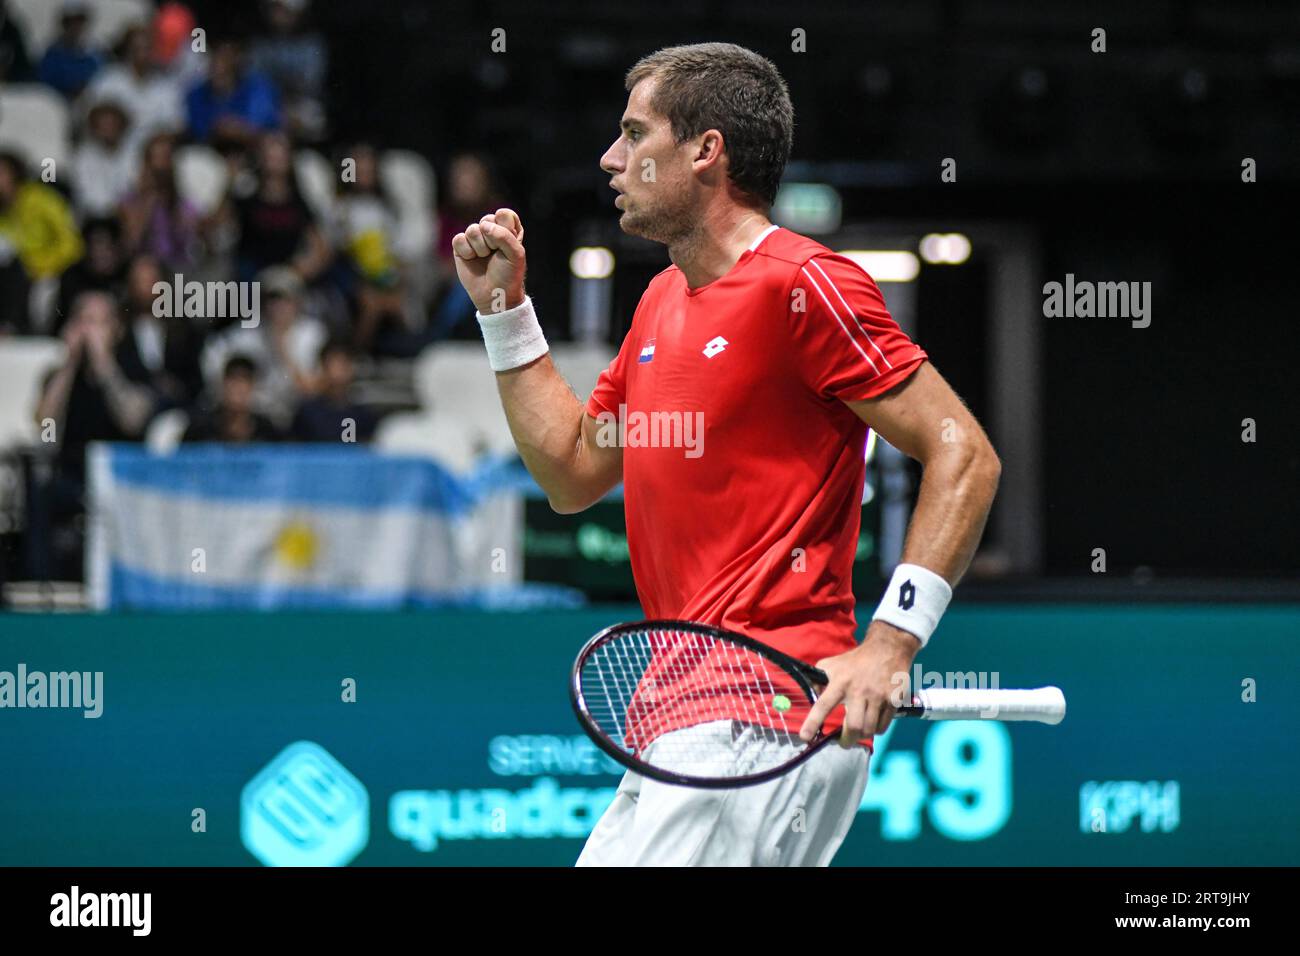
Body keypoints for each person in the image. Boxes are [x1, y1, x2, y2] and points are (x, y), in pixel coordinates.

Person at [451, 43, 1002, 867]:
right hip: (677, 716)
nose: (610, 158)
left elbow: (963, 451)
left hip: (759, 711)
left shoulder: (806, 285)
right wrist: (505, 312)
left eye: (635, 134)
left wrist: (892, 642)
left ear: (706, 149)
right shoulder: (661, 303)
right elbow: (570, 469)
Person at [84, 23, 185, 153]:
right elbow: (91, 118)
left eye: (147, 48)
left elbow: (175, 127)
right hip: (110, 152)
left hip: (151, 157)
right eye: (137, 48)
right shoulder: (109, 79)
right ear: (127, 49)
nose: (142, 54)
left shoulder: (167, 87)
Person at [118, 131, 203, 271]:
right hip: (144, 269)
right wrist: (148, 198)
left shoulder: (183, 201)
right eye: (155, 158)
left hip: (179, 269)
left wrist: (170, 198)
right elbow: (131, 243)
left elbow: (188, 239)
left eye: (166, 158)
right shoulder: (130, 201)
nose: (160, 166)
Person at [185, 36, 281, 149]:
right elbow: (197, 128)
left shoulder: (257, 88)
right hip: (211, 150)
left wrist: (240, 129)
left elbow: (269, 123)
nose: (220, 67)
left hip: (253, 149)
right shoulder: (197, 93)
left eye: (226, 62)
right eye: (216, 61)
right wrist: (217, 128)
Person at [289, 338, 378, 442]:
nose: (339, 372)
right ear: (323, 368)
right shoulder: (307, 412)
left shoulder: (363, 415)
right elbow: (294, 449)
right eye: (334, 364)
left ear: (351, 368)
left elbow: (367, 451)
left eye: (344, 364)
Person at [182, 354, 280, 443]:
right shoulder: (200, 429)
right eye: (233, 379)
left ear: (253, 387)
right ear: (223, 384)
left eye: (244, 380)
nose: (238, 387)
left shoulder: (266, 430)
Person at [71, 99, 136, 219]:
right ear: (94, 128)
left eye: (112, 124)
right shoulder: (83, 156)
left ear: (121, 126)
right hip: (94, 218)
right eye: (103, 125)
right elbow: (87, 196)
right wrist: (113, 208)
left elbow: (135, 185)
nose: (108, 129)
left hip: (129, 214)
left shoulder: (133, 153)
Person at [38, 0, 104, 99]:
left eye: (79, 21)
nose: (75, 26)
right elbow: (46, 88)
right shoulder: (51, 56)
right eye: (70, 22)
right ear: (63, 24)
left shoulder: (96, 55)